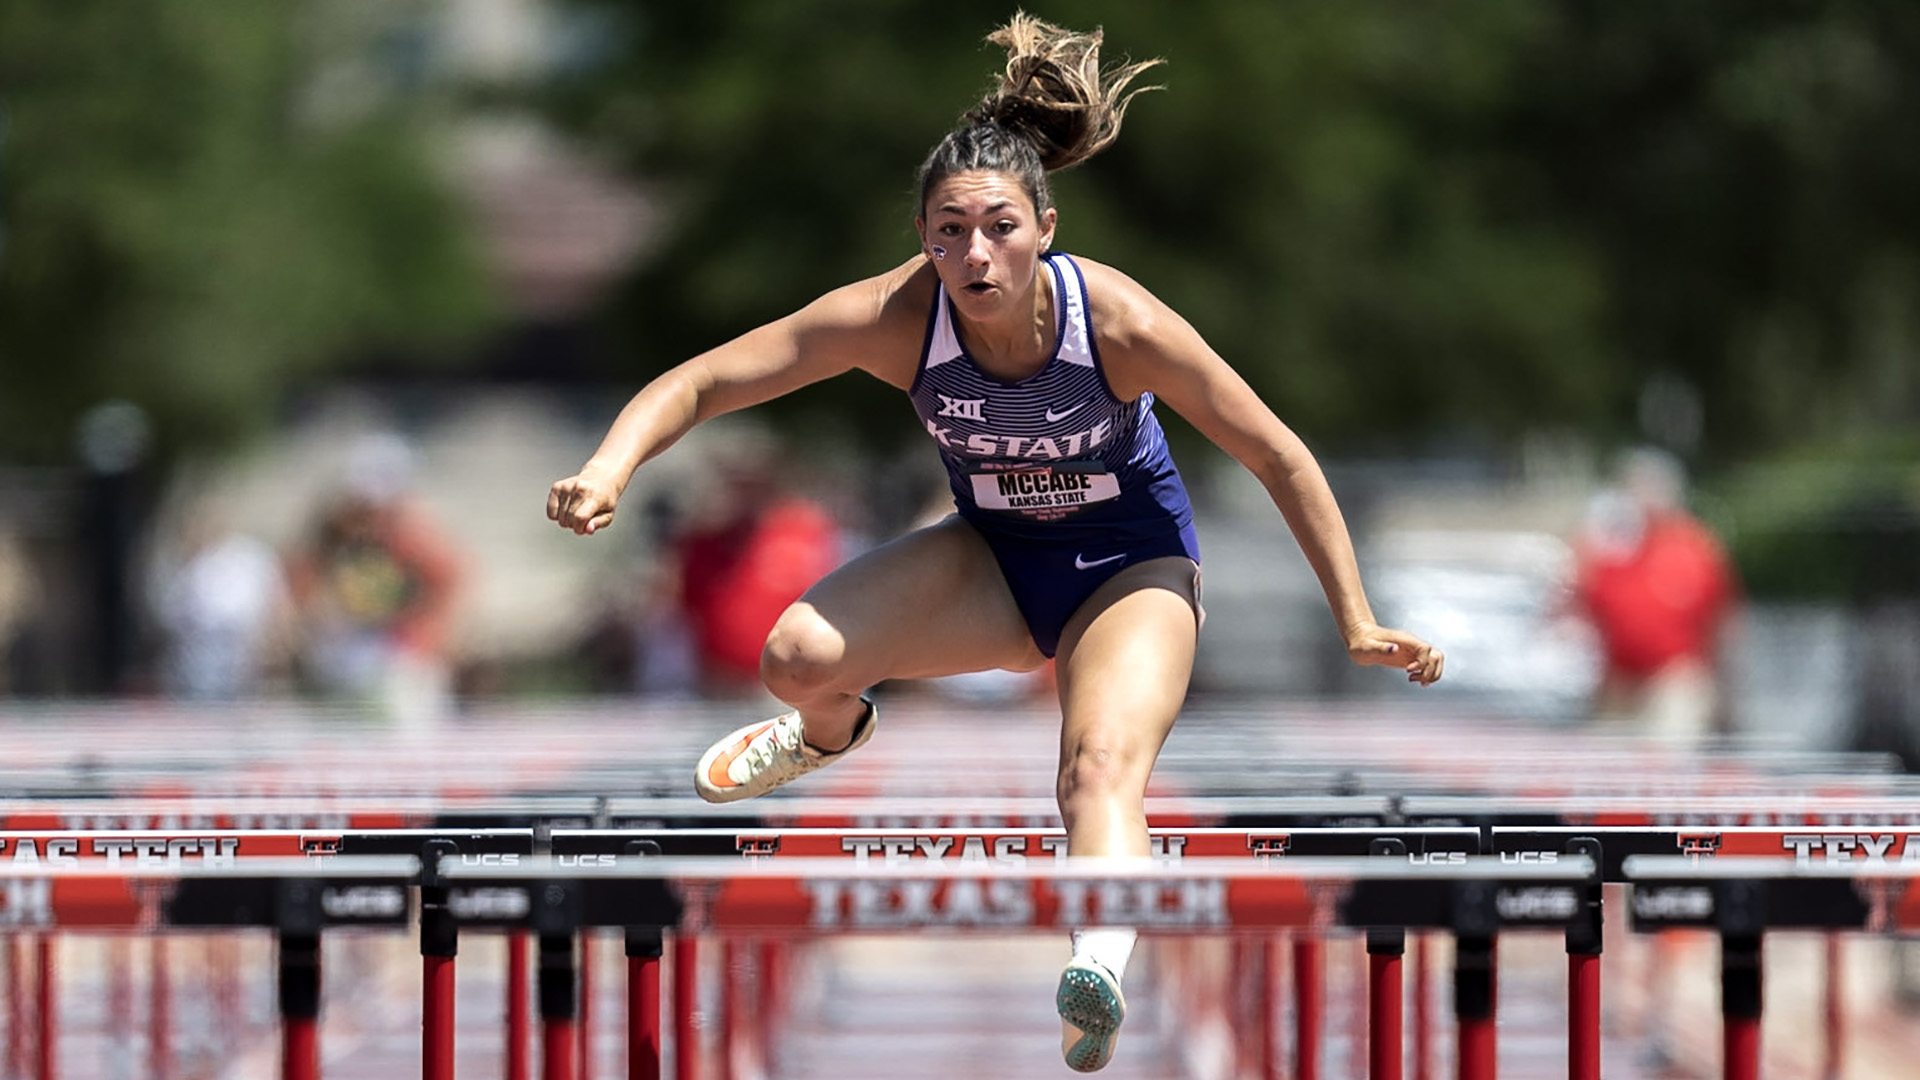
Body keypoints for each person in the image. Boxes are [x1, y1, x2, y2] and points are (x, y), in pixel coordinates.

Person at [548, 15, 1443, 1072]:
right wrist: (612, 465)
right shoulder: (894, 317)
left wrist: (1355, 615)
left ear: (1045, 228)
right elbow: (704, 379)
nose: (975, 254)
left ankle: (1095, 972)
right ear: (923, 238)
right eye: (949, 231)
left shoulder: (1119, 325)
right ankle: (829, 734)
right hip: (996, 560)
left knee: (1097, 766)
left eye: (1000, 229)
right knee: (794, 660)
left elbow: (1280, 455)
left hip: (1133, 567)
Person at [1573, 447, 1738, 743]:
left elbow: (1722, 619)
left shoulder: (1695, 545)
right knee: (1607, 767)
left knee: (1667, 761)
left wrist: (1727, 689)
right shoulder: (1608, 545)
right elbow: (1579, 604)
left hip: (1675, 676)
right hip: (1619, 679)